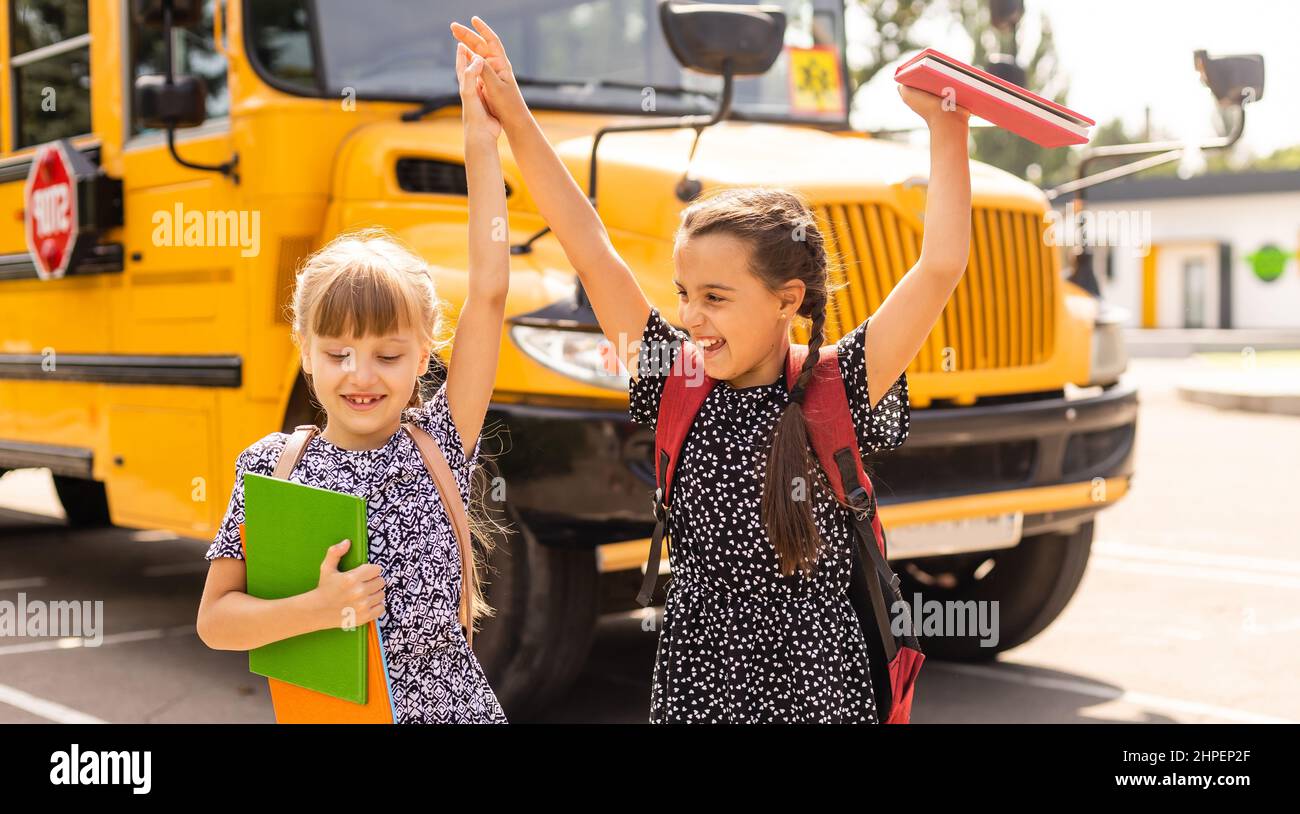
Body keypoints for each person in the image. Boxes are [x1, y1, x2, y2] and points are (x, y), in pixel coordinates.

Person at [453, 16, 972, 723]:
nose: (692, 318)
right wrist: (512, 114)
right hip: (696, 689)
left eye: (716, 299)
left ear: (788, 301)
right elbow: (589, 244)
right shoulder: (674, 377)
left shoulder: (837, 385)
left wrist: (948, 129)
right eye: (684, 297)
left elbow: (939, 267)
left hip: (821, 696)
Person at [196, 46, 510, 724]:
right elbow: (216, 620)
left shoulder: (441, 442)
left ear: (426, 353)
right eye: (337, 352)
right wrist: (315, 610)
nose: (361, 375)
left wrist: (479, 138)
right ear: (305, 353)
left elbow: (487, 291)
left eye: (389, 355)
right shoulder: (274, 467)